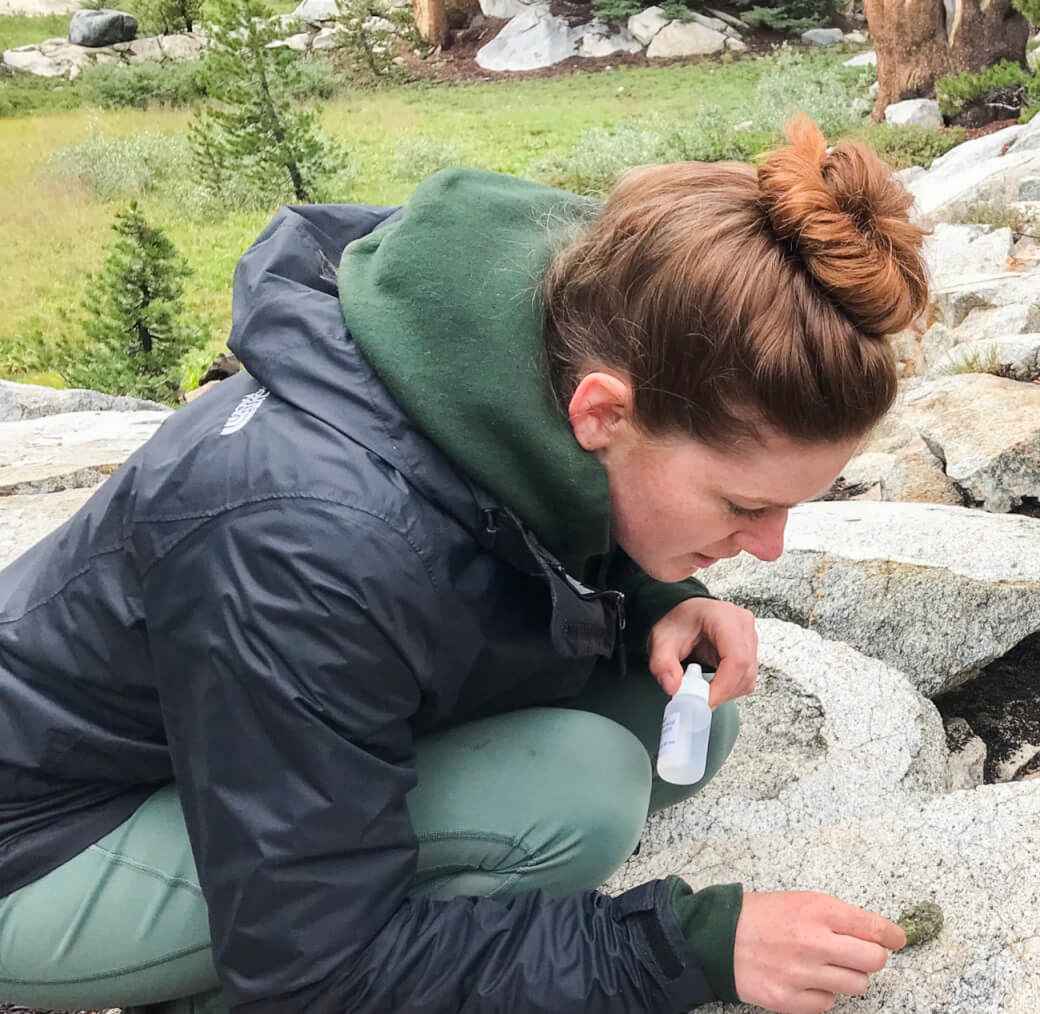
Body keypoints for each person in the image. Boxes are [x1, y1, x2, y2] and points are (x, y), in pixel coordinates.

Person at [0, 116, 922, 1014]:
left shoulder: (561, 325)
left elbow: (494, 514)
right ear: (602, 413)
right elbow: (314, 964)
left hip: (217, 732)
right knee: (579, 792)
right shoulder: (307, 541)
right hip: (46, 838)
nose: (769, 548)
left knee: (679, 717)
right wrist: (686, 948)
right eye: (744, 505)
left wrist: (656, 597)